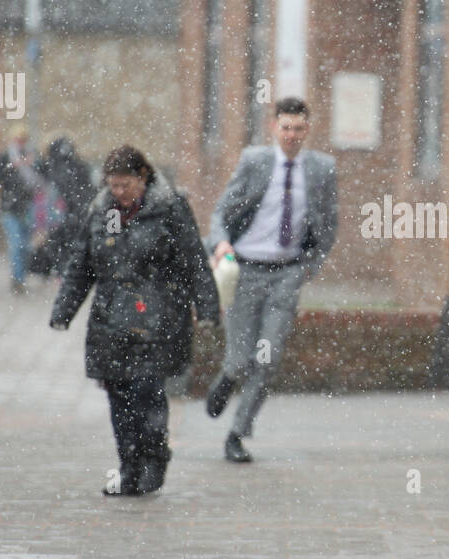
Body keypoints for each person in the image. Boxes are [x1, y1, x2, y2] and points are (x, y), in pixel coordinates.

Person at [49, 146, 221, 495]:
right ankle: (129, 466)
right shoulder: (102, 213)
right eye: (112, 185)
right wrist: (63, 311)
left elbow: (194, 261)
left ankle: (154, 460)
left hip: (156, 318)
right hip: (110, 321)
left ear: (143, 178)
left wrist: (206, 309)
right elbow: (82, 266)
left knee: (147, 392)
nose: (118, 193)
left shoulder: (169, 209)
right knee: (119, 396)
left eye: (125, 185)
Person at [205, 97, 338, 463]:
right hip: (245, 269)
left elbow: (328, 226)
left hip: (287, 273)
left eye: (298, 128)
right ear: (274, 128)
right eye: (286, 128)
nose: (292, 135)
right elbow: (222, 210)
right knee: (239, 359)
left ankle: (237, 433)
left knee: (267, 359)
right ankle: (228, 377)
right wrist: (221, 244)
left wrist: (309, 267)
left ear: (307, 129)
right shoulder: (255, 162)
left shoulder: (323, 170)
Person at [0, 124, 41, 294]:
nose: (20, 142)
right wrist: (14, 166)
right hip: (10, 208)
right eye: (18, 139)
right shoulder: (6, 157)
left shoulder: (33, 157)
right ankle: (18, 279)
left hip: (27, 207)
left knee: (26, 246)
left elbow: (43, 179)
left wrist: (31, 165)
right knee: (17, 243)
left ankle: (21, 276)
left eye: (23, 139)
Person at [30, 137, 95, 277]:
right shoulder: (77, 166)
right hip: (69, 213)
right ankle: (63, 273)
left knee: (59, 245)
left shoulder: (50, 166)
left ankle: (60, 273)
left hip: (62, 214)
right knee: (67, 245)